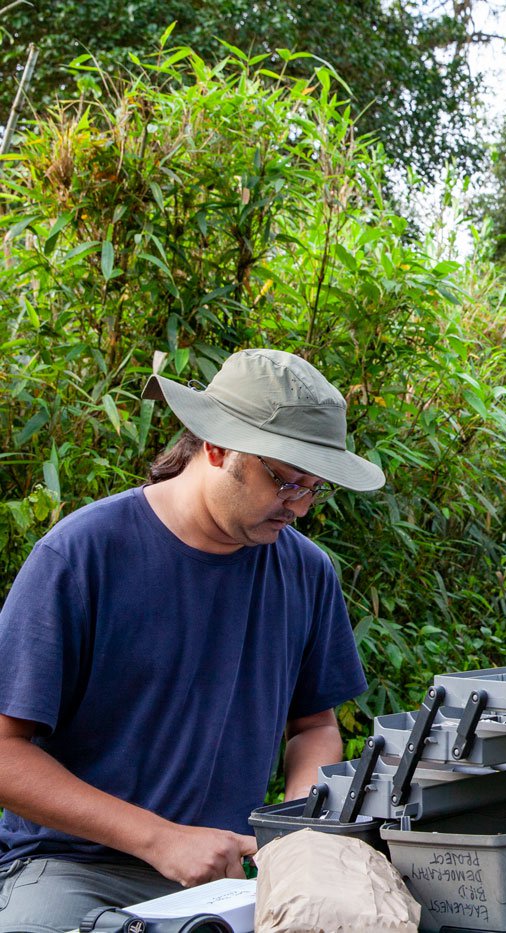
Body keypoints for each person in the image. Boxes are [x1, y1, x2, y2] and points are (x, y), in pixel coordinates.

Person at [0, 349, 384, 932]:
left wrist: (296, 835)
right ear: (216, 446)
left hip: (233, 875)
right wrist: (159, 839)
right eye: (285, 482)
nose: (300, 508)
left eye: (314, 488)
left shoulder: (306, 573)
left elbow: (314, 727)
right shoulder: (82, 556)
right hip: (72, 867)